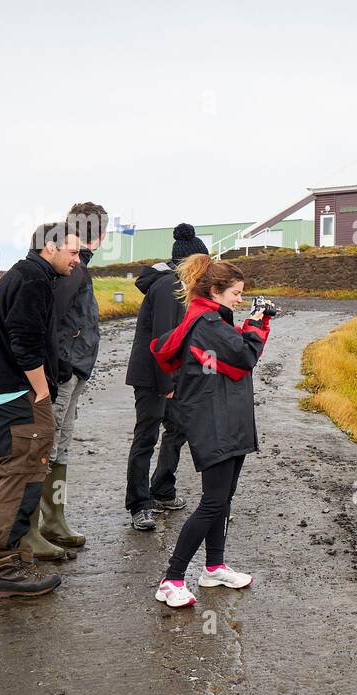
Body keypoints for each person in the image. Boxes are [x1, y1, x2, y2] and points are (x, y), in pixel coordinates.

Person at [148, 254, 272, 607]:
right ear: (215, 291)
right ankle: (171, 579)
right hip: (213, 422)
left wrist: (250, 323)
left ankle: (214, 566)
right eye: (235, 293)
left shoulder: (212, 319)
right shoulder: (206, 324)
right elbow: (243, 358)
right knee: (213, 502)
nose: (239, 299)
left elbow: (231, 363)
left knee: (223, 499)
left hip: (228, 420)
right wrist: (257, 323)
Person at [0, 223, 81, 597]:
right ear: (50, 247)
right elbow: (24, 342)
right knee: (21, 478)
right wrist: (42, 393)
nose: (77, 260)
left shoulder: (19, 275)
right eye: (73, 252)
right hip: (19, 396)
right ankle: (8, 567)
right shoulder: (34, 280)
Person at [28, 202, 108, 553]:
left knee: (59, 444)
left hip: (72, 370)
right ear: (102, 235)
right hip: (64, 371)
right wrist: (63, 367)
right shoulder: (71, 271)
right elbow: (53, 321)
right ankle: (32, 528)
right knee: (46, 444)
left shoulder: (73, 267)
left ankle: (54, 520)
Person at [123, 223, 204, 531]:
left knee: (178, 427)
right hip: (152, 377)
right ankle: (139, 504)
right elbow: (161, 340)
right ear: (191, 262)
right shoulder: (168, 288)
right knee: (146, 437)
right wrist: (167, 385)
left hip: (171, 374)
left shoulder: (181, 287)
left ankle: (162, 489)